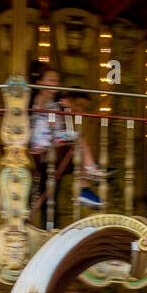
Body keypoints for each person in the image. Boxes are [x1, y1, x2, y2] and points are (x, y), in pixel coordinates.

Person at [31, 67, 106, 209]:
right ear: (40, 83)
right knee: (79, 139)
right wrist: (48, 95)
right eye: (50, 80)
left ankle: (85, 189)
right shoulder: (41, 98)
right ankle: (91, 169)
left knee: (78, 150)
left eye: (56, 81)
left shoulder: (54, 103)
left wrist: (66, 108)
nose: (55, 83)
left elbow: (62, 122)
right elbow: (41, 104)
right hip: (44, 139)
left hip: (52, 137)